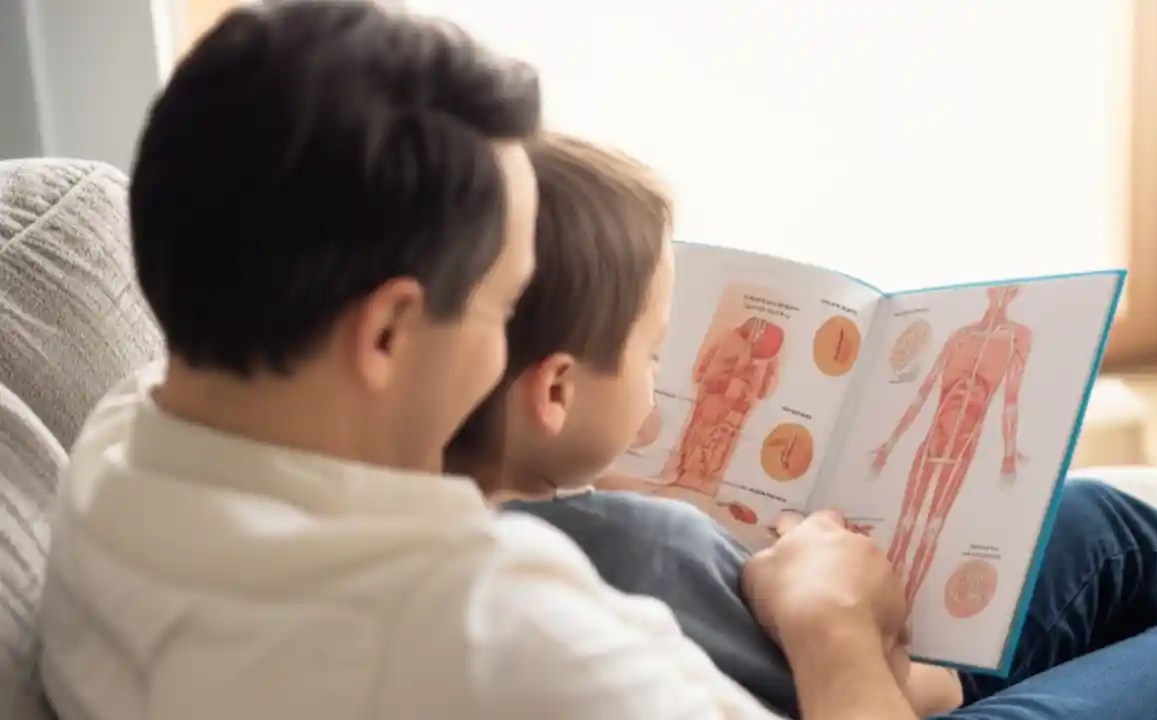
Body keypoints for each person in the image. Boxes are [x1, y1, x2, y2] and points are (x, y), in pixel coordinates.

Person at [38, 3, 916, 719]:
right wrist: (831, 624)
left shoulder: (123, 440)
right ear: (387, 335)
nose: (507, 351)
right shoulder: (495, 632)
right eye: (504, 306)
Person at [446, 135, 1157, 719]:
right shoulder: (634, 556)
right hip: (865, 684)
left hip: (871, 671)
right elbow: (850, 685)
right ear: (554, 390)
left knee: (1092, 525)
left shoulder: (507, 516)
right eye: (654, 354)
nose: (665, 377)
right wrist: (855, 629)